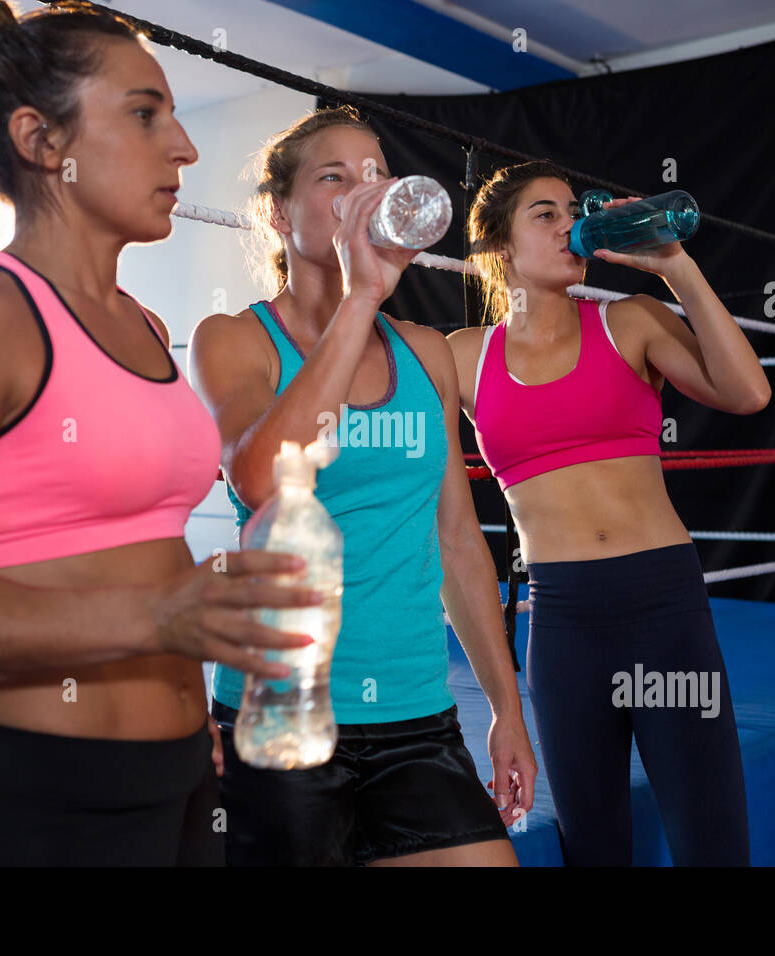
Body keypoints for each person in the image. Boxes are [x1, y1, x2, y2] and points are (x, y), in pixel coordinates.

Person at [0, 0, 320, 867]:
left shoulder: (140, 322)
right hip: (41, 801)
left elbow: (130, 544)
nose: (184, 146)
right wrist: (157, 617)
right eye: (144, 113)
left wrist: (182, 700)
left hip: (182, 774)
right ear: (41, 141)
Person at [188, 106, 536, 866]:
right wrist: (358, 300)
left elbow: (456, 539)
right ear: (279, 215)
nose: (367, 193)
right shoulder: (235, 339)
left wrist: (509, 709)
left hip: (417, 715)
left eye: (378, 174)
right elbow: (258, 476)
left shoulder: (426, 354)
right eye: (336, 178)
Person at [448, 161, 770, 865]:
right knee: (592, 848)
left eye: (573, 211)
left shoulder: (631, 322)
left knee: (712, 841)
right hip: (565, 627)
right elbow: (434, 502)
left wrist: (674, 266)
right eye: (545, 214)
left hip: (664, 610)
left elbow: (748, 393)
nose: (569, 225)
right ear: (500, 245)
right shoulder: (465, 357)